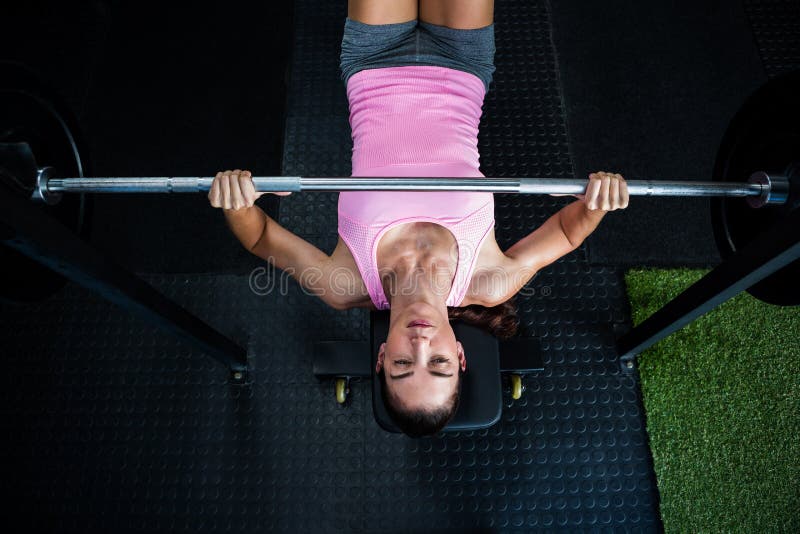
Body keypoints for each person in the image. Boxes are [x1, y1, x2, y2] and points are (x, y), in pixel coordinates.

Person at [208, 0, 629, 437]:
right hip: (461, 65)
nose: (421, 343)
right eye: (440, 364)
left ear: (381, 357)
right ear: (461, 356)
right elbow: (565, 231)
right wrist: (598, 200)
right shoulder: (488, 281)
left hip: (372, 63)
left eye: (403, 364)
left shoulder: (345, 282)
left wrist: (236, 199)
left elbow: (260, 239)